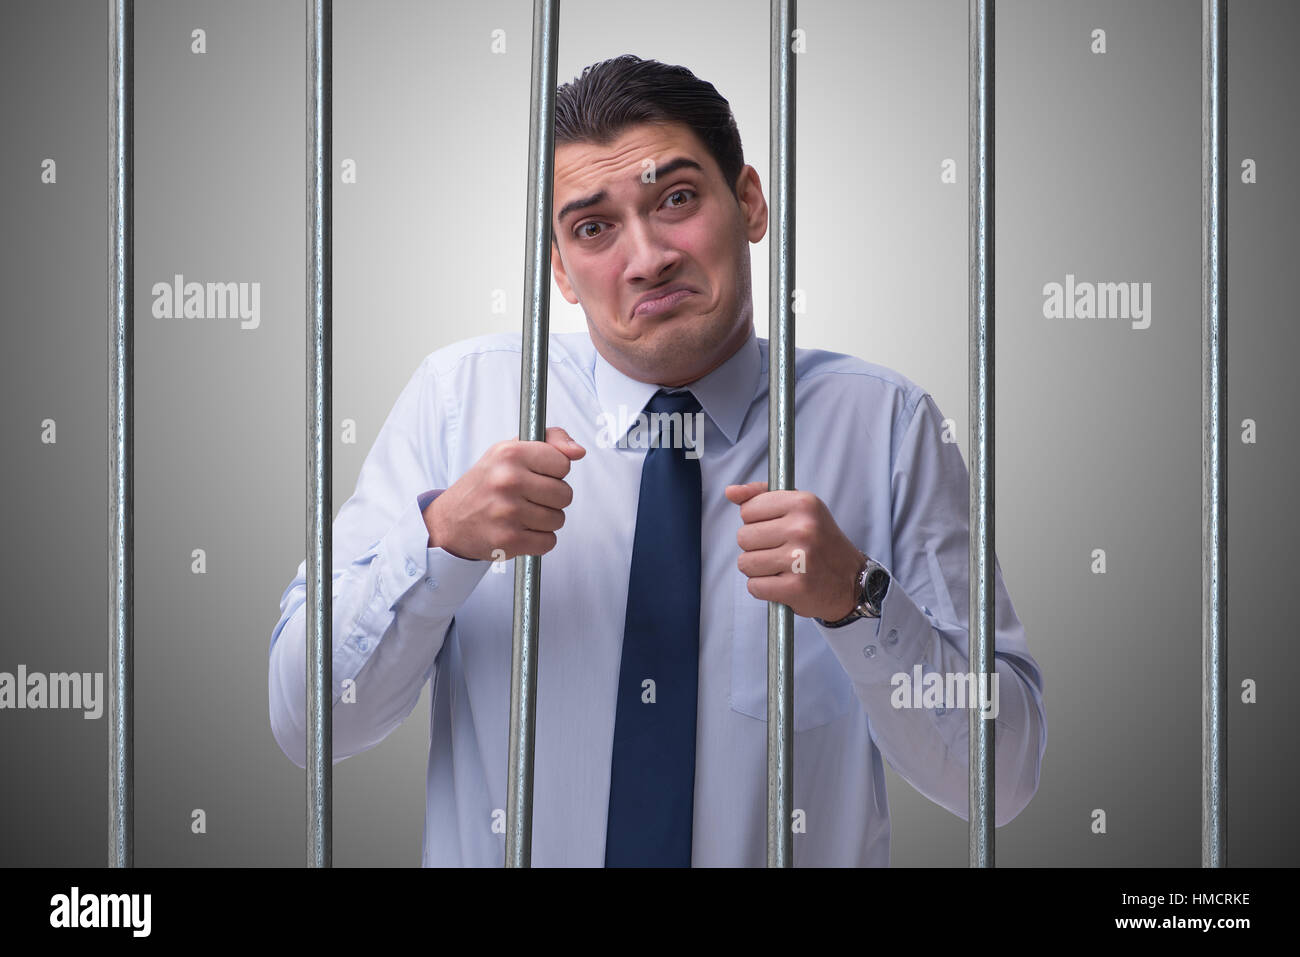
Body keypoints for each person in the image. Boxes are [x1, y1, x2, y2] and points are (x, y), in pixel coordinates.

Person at [269, 54, 1046, 867]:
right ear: (560, 271)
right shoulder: (459, 401)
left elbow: (1003, 776)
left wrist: (859, 601)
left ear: (748, 201)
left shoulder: (886, 426)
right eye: (593, 227)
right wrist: (438, 540)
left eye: (676, 199)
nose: (647, 259)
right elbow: (306, 723)